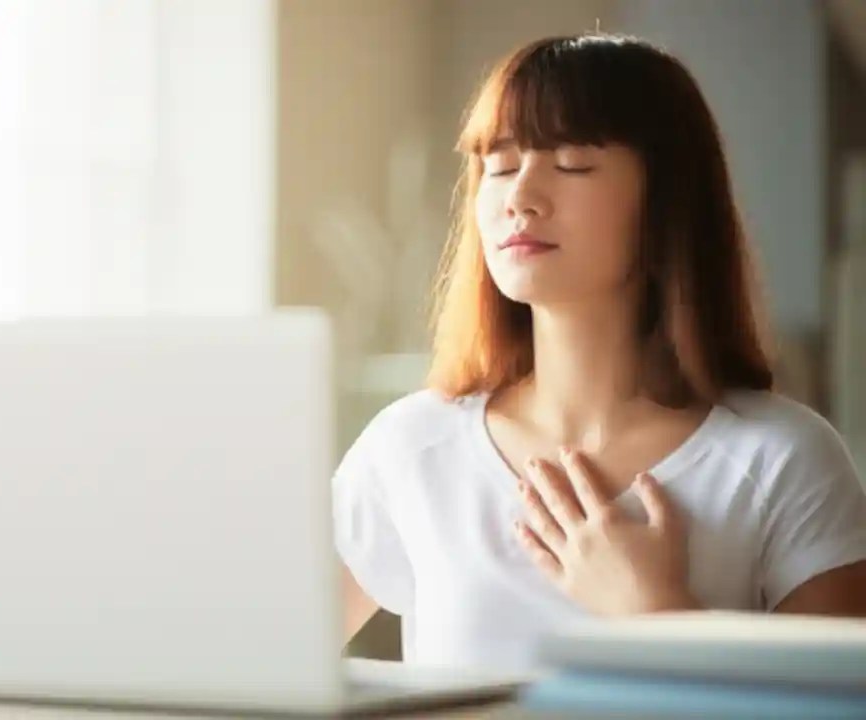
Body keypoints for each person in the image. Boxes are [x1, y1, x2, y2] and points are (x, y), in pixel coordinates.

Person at [333, 33, 866, 670]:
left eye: (573, 163)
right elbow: (248, 666)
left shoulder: (781, 460)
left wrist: (657, 611)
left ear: (665, 201)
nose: (520, 197)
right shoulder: (410, 448)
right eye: (499, 166)